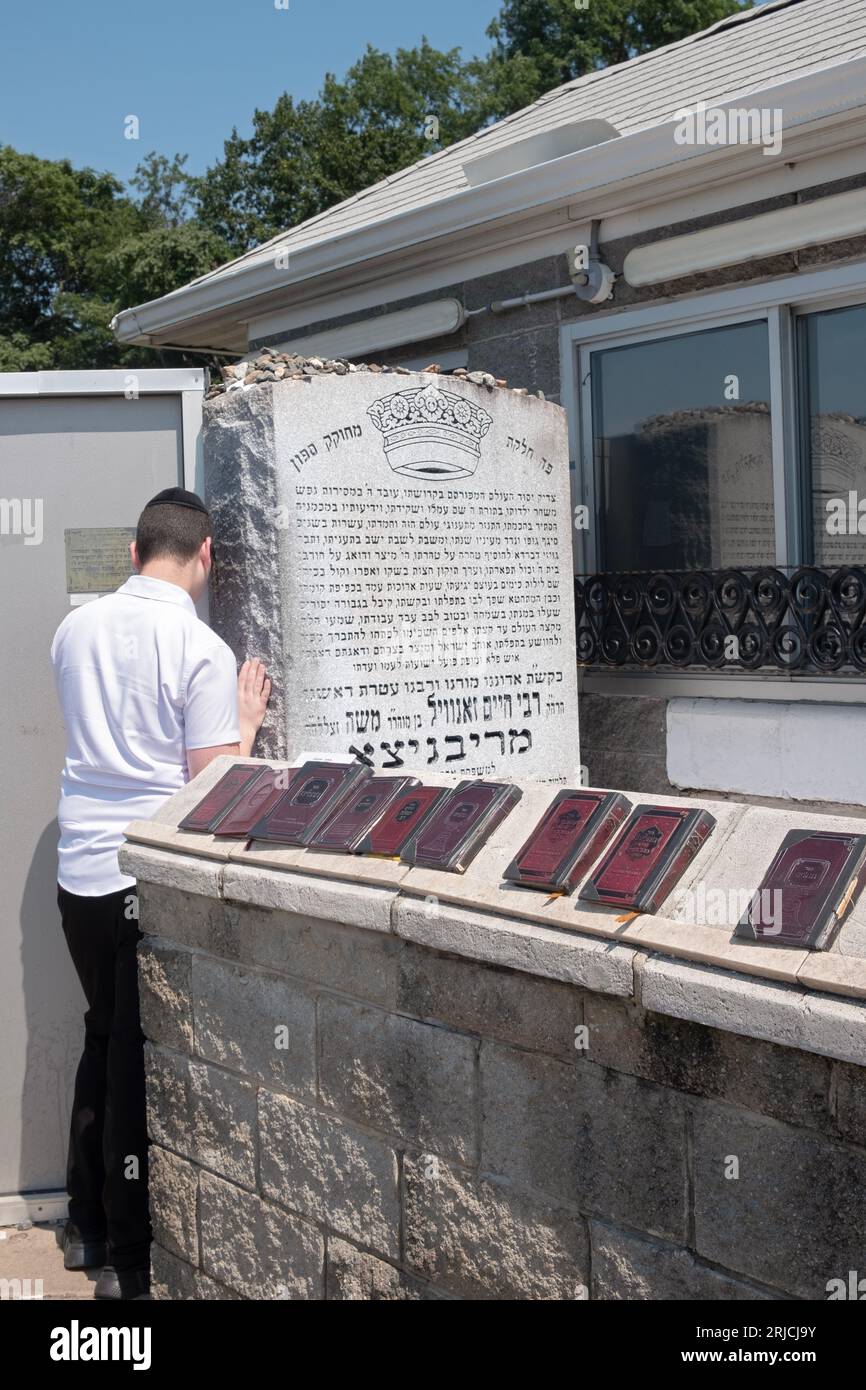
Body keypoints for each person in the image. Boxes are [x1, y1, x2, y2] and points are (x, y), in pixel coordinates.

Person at [50, 487, 270, 1300]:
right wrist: (246, 728)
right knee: (130, 1059)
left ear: (136, 552)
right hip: (139, 877)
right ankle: (128, 1260)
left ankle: (83, 1222)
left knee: (100, 1034)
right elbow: (208, 786)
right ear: (206, 555)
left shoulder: (75, 628)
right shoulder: (201, 648)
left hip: (79, 869)